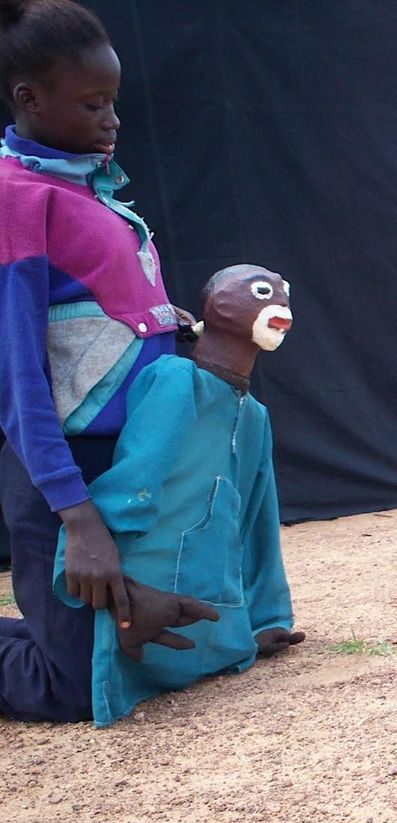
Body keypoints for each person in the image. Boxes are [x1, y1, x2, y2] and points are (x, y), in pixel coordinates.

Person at [0, 0, 218, 721]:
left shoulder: (94, 192)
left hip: (130, 464)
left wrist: (171, 325)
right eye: (93, 104)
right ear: (28, 99)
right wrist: (76, 517)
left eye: (114, 102)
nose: (112, 119)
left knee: (125, 649)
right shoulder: (15, 198)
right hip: (62, 475)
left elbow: (103, 319)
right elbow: (19, 379)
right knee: (69, 687)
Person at [53, 265, 305, 726]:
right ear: (216, 306)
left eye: (284, 293)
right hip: (141, 606)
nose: (281, 304)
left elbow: (257, 521)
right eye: (263, 291)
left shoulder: (254, 416)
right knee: (68, 681)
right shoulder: (175, 380)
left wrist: (265, 620)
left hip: (214, 630)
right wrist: (117, 592)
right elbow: (129, 486)